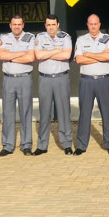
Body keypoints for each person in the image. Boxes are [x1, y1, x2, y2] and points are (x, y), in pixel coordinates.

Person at [74, 14, 109, 155]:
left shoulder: (108, 39)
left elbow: (108, 57)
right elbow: (79, 60)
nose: (93, 26)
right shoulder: (81, 40)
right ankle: (81, 145)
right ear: (87, 25)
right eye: (90, 24)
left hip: (103, 80)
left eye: (95, 24)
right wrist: (99, 56)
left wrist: (88, 54)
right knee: (84, 113)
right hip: (86, 80)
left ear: (99, 24)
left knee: (107, 112)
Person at [0, 15, 36, 157]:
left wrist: (11, 57)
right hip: (9, 79)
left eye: (19, 24)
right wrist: (21, 54)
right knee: (8, 113)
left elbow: (31, 57)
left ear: (23, 25)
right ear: (10, 25)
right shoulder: (4, 37)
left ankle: (26, 145)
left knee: (26, 112)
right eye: (14, 24)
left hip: (24, 78)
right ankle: (7, 145)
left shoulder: (30, 37)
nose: (17, 27)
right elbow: (1, 56)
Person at [34, 15, 73, 155]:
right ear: (45, 25)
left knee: (64, 112)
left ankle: (67, 144)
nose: (51, 27)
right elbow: (38, 56)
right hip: (45, 79)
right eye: (48, 25)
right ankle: (42, 145)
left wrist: (47, 53)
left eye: (53, 24)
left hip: (61, 78)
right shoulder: (39, 37)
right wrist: (57, 50)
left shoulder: (65, 37)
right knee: (44, 112)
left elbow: (66, 55)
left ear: (58, 25)